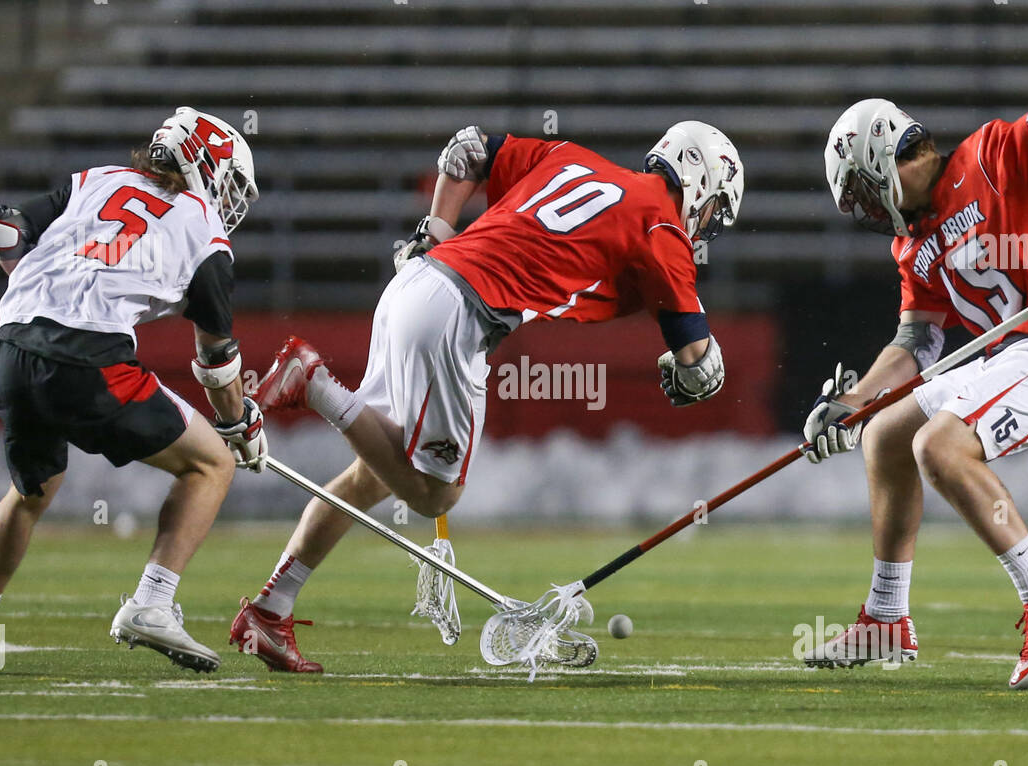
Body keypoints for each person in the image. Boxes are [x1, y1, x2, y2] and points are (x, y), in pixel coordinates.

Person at [229, 122, 744, 671]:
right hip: (458, 314)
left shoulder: (575, 157)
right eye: (713, 208)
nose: (706, 224)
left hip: (415, 282)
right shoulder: (661, 222)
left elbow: (467, 148)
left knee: (373, 474)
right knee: (432, 496)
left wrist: (435, 229)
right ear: (700, 183)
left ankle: (269, 609)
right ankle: (316, 385)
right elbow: (698, 361)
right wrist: (690, 372)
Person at [802, 99, 1028, 689]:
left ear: (883, 163)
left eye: (864, 192)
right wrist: (852, 404)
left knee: (939, 448)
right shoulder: (912, 244)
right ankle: (886, 616)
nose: (868, 210)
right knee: (885, 436)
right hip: (1010, 356)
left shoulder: (992, 154)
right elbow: (917, 343)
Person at [0, 107, 266, 673]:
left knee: (32, 490)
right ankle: (152, 602)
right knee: (211, 464)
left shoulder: (96, 180)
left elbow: (1, 229)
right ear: (203, 164)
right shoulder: (204, 232)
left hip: (11, 347)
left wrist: (39, 288)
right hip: (87, 360)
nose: (229, 196)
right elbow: (217, 361)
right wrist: (238, 424)